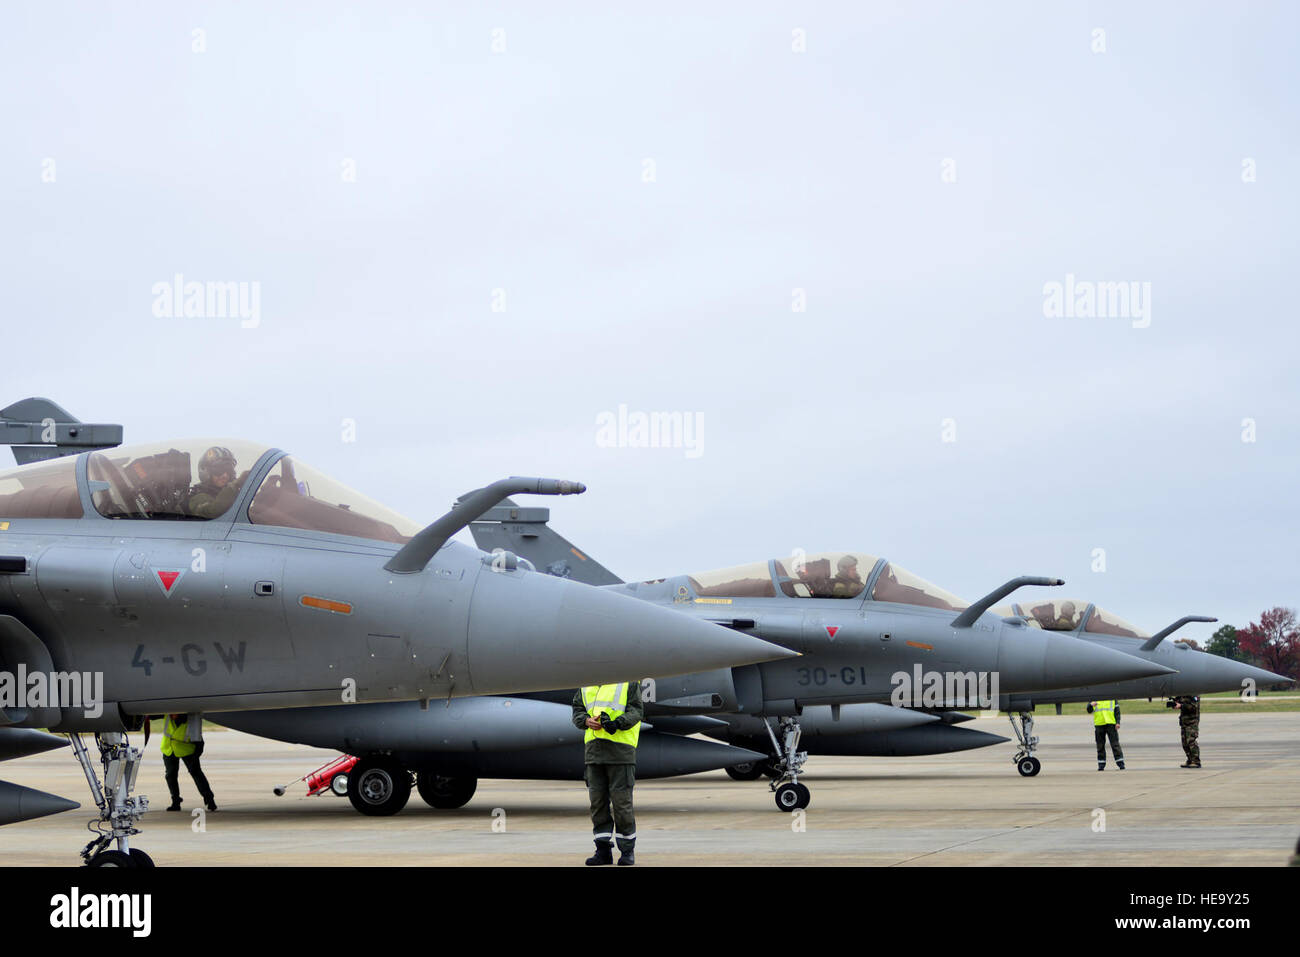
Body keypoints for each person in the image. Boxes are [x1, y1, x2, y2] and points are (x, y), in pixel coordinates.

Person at [571, 680, 643, 866]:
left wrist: (617, 724)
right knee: (597, 804)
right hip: (594, 753)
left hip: (621, 753)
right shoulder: (586, 685)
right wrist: (586, 721)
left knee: (622, 804)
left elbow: (636, 711)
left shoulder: (629, 682)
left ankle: (627, 851)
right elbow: (577, 710)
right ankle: (602, 851)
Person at [160, 712, 217, 812]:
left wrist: (195, 758)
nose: (171, 715)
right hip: (168, 749)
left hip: (187, 751)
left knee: (196, 773)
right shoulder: (167, 715)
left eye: (174, 713)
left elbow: (200, 744)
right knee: (170, 775)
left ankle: (210, 800)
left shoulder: (191, 722)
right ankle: (175, 802)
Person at [187, 446, 249, 519]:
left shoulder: (234, 493)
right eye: (219, 470)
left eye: (228, 470)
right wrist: (235, 485)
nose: (225, 475)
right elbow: (213, 511)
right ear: (206, 472)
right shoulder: (197, 497)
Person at [1087, 699, 1125, 770]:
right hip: (1099, 724)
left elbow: (1117, 711)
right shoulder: (1094, 697)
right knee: (1100, 745)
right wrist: (1091, 705)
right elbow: (1089, 710)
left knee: (1115, 744)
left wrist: (1118, 722)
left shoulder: (1112, 698)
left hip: (1111, 724)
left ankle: (1120, 763)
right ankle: (1101, 765)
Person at [1172, 695, 1201, 768]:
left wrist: (1181, 706)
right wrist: (1175, 703)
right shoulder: (1182, 695)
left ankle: (1196, 761)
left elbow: (1194, 707)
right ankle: (1190, 760)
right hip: (1184, 722)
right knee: (1184, 743)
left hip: (1192, 723)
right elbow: (1179, 702)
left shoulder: (1193, 694)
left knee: (1191, 741)